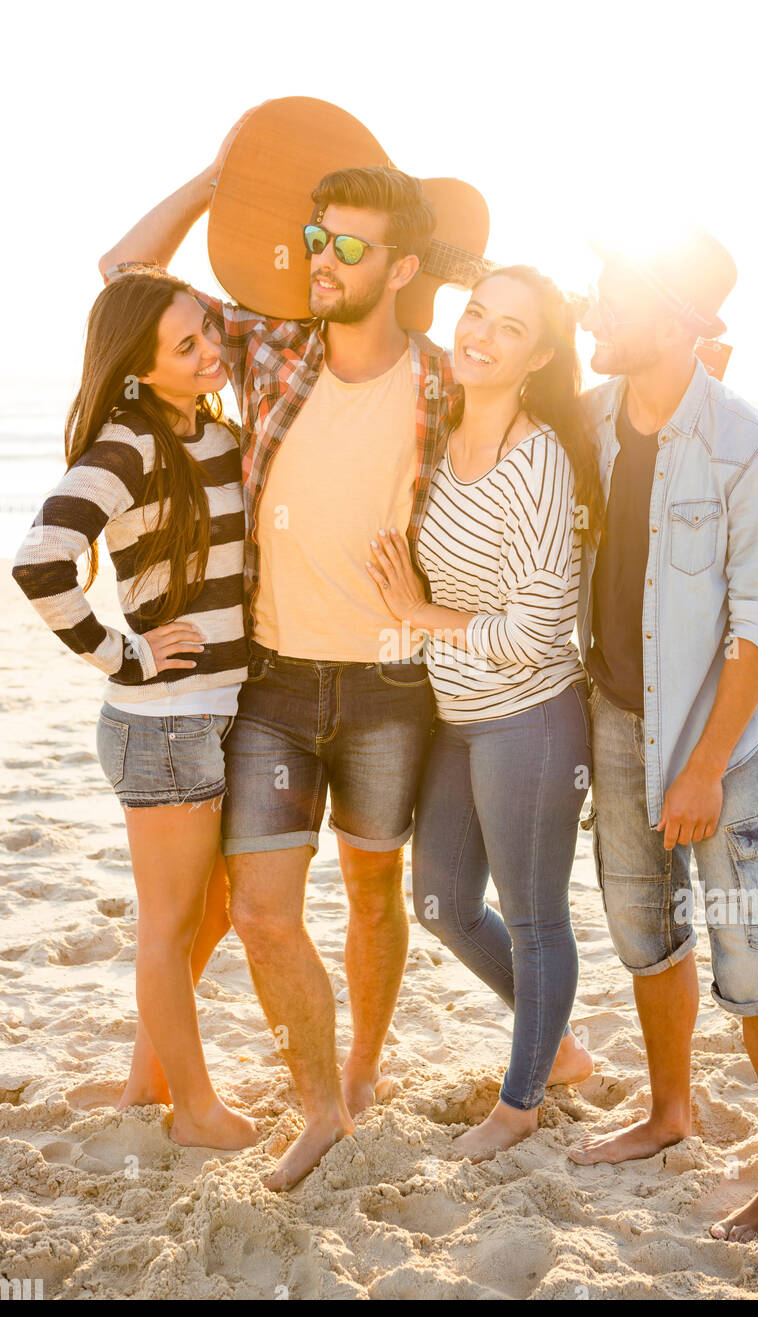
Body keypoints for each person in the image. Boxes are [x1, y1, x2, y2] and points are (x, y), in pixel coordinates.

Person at [98, 126, 456, 1189]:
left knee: (374, 893)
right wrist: (226, 179)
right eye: (315, 237)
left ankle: (357, 1071)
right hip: (274, 683)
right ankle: (316, 1109)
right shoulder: (268, 349)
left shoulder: (446, 383)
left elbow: (543, 399)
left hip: (394, 685)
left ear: (401, 268)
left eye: (348, 247)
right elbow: (126, 273)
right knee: (259, 911)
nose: (319, 260)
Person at [568, 228, 758, 1241]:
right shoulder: (585, 422)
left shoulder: (750, 450)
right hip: (614, 724)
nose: (593, 310)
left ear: (675, 322)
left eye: (613, 297)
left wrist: (704, 769)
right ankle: (670, 1110)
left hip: (723, 748)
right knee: (644, 935)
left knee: (754, 959)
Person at [12, 270, 255, 1151]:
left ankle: (147, 1083)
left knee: (216, 913)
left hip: (224, 712)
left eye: (208, 333)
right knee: (169, 926)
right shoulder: (130, 444)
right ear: (141, 367)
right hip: (164, 722)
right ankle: (191, 1109)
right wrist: (127, 650)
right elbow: (40, 562)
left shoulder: (221, 437)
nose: (209, 353)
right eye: (185, 347)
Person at [366, 266, 601, 1159]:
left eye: (509, 328)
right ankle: (563, 1046)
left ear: (538, 356)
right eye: (475, 314)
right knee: (442, 902)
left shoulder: (536, 459)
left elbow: (542, 629)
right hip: (455, 715)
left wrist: (419, 616)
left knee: (536, 918)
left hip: (530, 721)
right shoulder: (440, 429)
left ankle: (522, 1101)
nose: (480, 335)